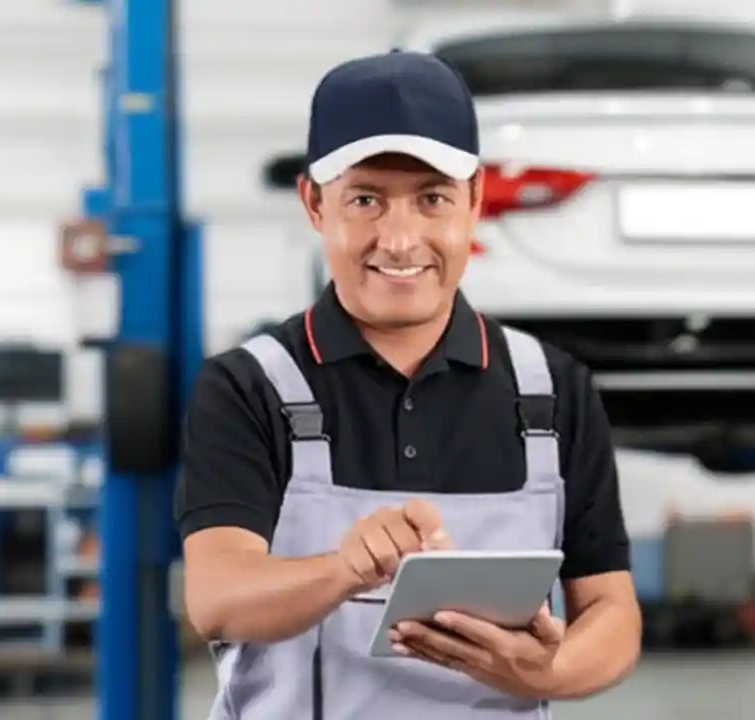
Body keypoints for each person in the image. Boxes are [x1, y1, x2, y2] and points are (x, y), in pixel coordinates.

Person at [176, 49, 642, 719]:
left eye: (432, 200)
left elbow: (611, 609)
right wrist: (345, 568)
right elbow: (218, 597)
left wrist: (549, 667)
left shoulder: (553, 392)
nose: (399, 241)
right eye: (366, 199)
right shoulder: (249, 387)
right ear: (314, 202)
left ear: (475, 201)